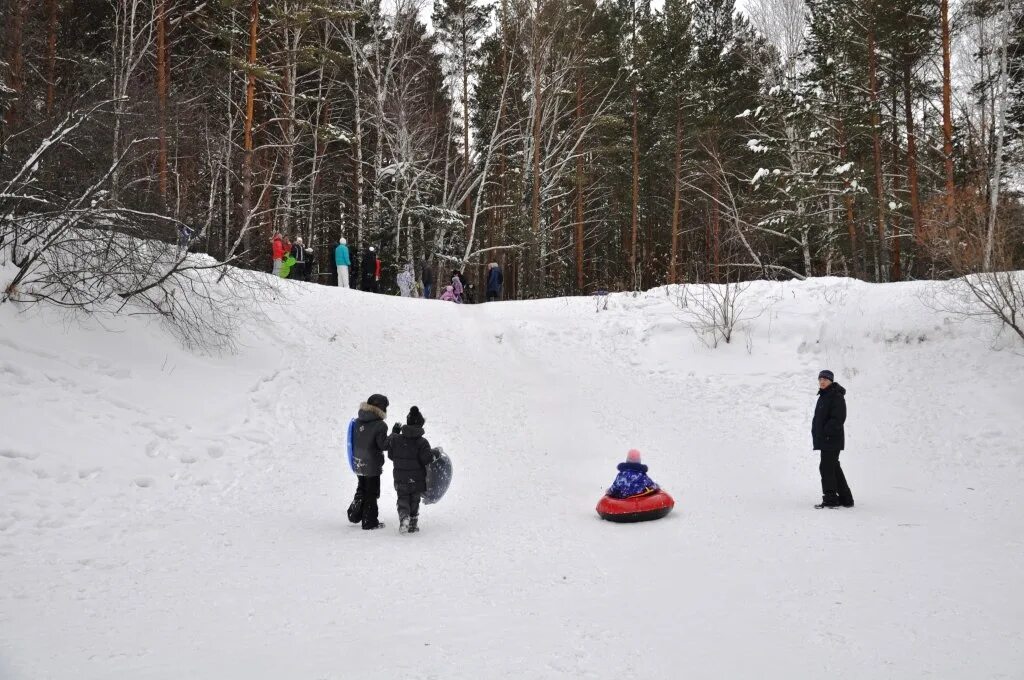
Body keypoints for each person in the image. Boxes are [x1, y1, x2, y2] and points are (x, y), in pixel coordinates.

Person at [387, 406, 437, 534]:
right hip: (417, 479)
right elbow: (427, 459)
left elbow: (391, 455)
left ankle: (404, 517)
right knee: (414, 500)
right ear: (420, 425)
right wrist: (435, 453)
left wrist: (394, 435)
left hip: (401, 478)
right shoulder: (422, 442)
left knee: (403, 499)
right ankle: (413, 524)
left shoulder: (397, 440)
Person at [812, 370, 853, 509]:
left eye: (825, 379)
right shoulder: (824, 395)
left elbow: (838, 418)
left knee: (826, 468)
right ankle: (846, 499)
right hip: (826, 439)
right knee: (833, 467)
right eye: (820, 379)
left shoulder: (836, 396)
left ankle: (830, 499)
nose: (822, 381)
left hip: (831, 439)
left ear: (831, 381)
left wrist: (826, 432)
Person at [349, 394, 391, 530]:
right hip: (372, 464)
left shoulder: (357, 421)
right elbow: (383, 445)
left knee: (361, 488)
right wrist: (394, 434)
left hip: (358, 462)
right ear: (381, 408)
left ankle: (355, 514)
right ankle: (369, 521)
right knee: (372, 493)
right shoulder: (380, 425)